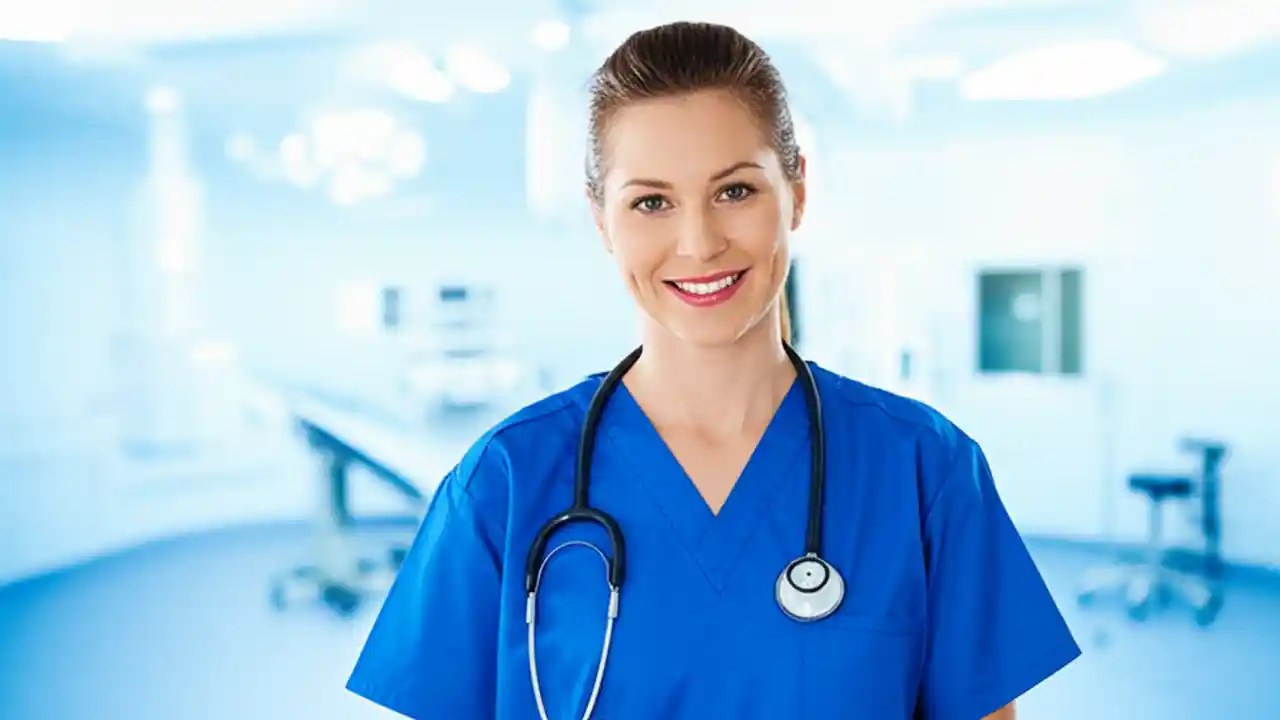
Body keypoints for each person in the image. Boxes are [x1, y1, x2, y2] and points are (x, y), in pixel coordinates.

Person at [345, 21, 1081, 720]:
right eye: (651, 202)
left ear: (796, 189)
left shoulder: (924, 470)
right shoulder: (506, 482)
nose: (698, 243)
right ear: (601, 219)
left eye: (735, 190)